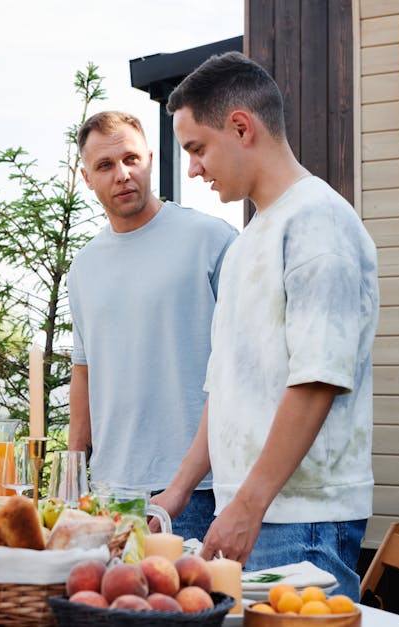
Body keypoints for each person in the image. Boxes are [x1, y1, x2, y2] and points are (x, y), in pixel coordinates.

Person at [152, 51, 379, 599]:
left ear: (241, 127)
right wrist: (176, 494)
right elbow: (224, 384)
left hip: (302, 521)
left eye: (197, 148)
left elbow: (318, 379)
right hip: (251, 510)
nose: (192, 169)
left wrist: (247, 505)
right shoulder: (249, 240)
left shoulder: (317, 224)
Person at [67, 111, 237, 541]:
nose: (122, 175)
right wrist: (72, 478)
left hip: (199, 490)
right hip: (109, 492)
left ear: (151, 159)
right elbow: (83, 372)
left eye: (131, 159)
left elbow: (244, 365)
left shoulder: (212, 240)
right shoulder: (84, 267)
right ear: (87, 178)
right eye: (105, 166)